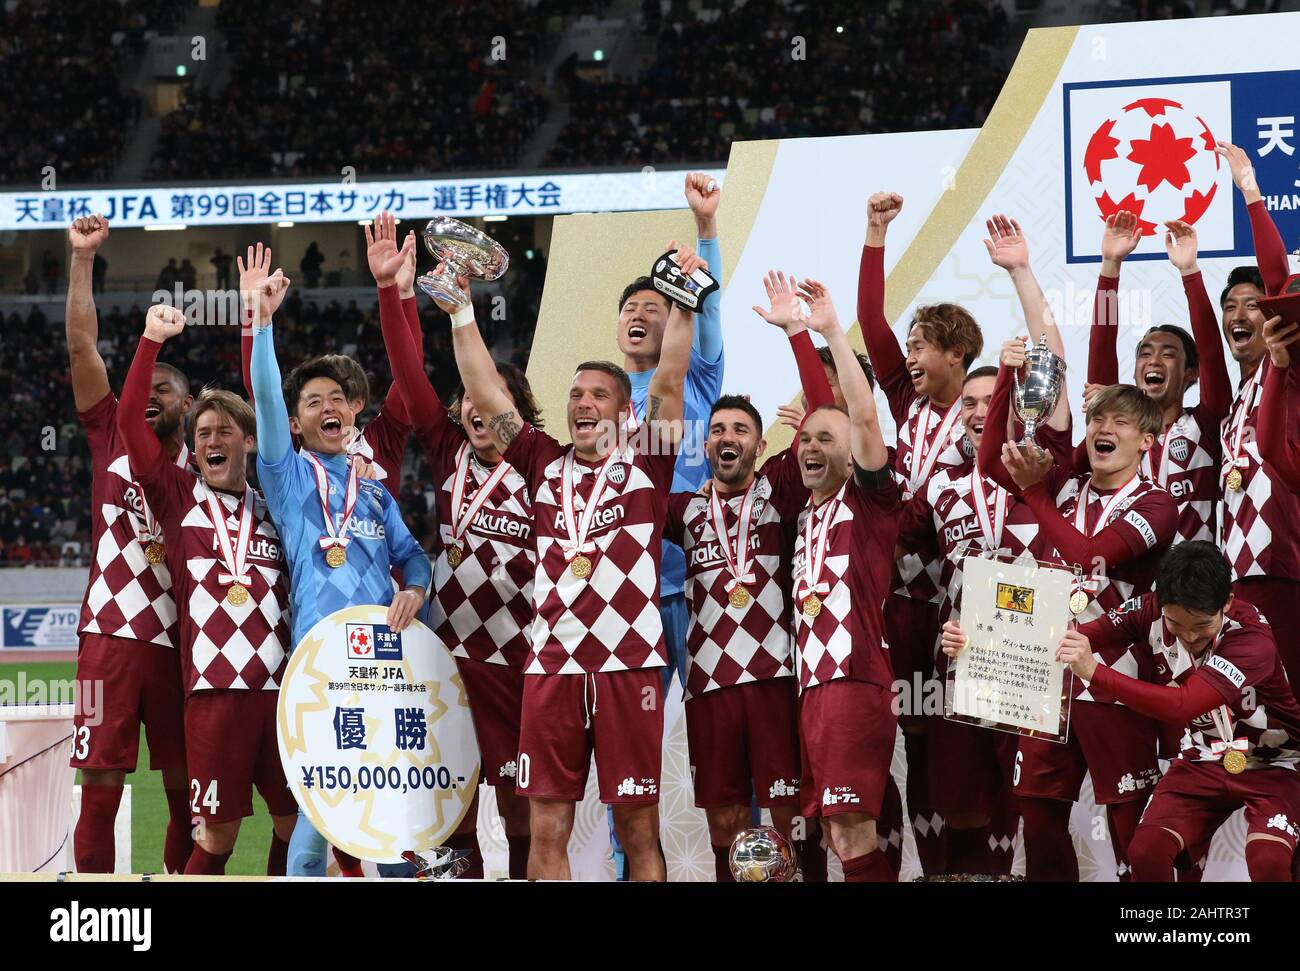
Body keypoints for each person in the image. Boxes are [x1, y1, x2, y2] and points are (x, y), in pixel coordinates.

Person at [455, 238, 704, 881]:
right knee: (547, 831)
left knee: (639, 831)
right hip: (552, 665)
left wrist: (684, 300)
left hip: (629, 662)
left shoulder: (648, 458)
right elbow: (486, 394)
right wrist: (460, 312)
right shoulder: (540, 460)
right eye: (575, 394)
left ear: (624, 410)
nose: (583, 403)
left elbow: (671, 378)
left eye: (598, 394)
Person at [246, 243, 433, 878]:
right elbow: (265, 399)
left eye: (337, 398)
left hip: (384, 665)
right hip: (320, 664)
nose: (327, 407)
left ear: (354, 410)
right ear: (296, 425)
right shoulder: (288, 478)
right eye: (312, 402)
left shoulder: (374, 493)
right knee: (317, 813)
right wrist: (261, 324)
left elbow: (415, 558)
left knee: (393, 813)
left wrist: (415, 589)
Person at [370, 216, 539, 880]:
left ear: (514, 409)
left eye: (488, 397)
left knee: (520, 803)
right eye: (465, 396)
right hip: (451, 655)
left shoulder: (539, 467)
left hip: (519, 655)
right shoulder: (448, 452)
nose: (473, 406)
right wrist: (394, 293)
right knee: (455, 795)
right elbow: (409, 374)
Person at [659, 270, 836, 882]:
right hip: (708, 682)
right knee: (725, 824)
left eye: (740, 430)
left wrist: (795, 333)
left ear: (760, 446)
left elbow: (825, 418)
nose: (727, 437)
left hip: (777, 677)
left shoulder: (783, 487)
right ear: (705, 447)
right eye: (718, 430)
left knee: (792, 818)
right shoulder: (681, 509)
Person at [977, 368, 1178, 881]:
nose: (1102, 429)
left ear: (1146, 440)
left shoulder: (1156, 503)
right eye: (1095, 420)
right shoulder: (1066, 485)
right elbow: (990, 460)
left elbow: (1089, 557)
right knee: (1039, 819)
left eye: (1119, 422)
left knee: (1130, 830)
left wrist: (1035, 495)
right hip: (1047, 679)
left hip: (1116, 679)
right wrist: (1006, 375)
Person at [117, 302, 297, 875]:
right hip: (215, 692)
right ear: (192, 449)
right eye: (202, 434)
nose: (212, 441)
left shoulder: (275, 508)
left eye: (225, 432)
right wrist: (150, 340)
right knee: (217, 835)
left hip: (281, 693)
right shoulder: (177, 496)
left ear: (249, 441)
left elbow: (269, 405)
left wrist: (259, 322)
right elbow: (128, 423)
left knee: (295, 825)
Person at [857, 190, 987, 874]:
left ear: (957, 353)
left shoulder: (986, 415)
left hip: (956, 608)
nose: (907, 356)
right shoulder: (907, 404)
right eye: (907, 347)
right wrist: (875, 233)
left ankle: (972, 866)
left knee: (954, 746)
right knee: (909, 739)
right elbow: (869, 320)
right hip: (896, 602)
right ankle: (928, 865)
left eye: (921, 346)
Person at [64, 214, 195, 874]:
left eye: (163, 392)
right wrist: (83, 258)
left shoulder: (208, 474)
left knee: (188, 795)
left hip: (183, 646)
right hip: (108, 638)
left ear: (189, 407)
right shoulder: (110, 435)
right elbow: (82, 348)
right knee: (99, 790)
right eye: (145, 389)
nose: (149, 398)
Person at [1055, 542, 1300, 883]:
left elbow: (1183, 705)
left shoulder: (1252, 640)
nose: (1189, 635)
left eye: (1202, 624)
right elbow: (1074, 637)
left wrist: (1095, 673)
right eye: (1175, 623)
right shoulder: (1150, 609)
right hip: (1203, 756)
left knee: (1268, 859)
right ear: (1161, 603)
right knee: (1146, 850)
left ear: (1227, 603)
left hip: (1276, 762)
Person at [610, 171, 724, 876]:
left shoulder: (699, 381)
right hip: (628, 599)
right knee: (632, 749)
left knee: (721, 739)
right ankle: (628, 864)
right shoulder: (599, 400)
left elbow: (707, 305)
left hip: (703, 588)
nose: (639, 314)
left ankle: (743, 861)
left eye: (654, 306)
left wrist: (706, 230)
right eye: (630, 307)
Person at [785, 277, 900, 881]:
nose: (810, 446)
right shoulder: (808, 514)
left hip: (854, 681)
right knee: (835, 832)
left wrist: (827, 331)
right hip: (814, 685)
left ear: (853, 452)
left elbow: (864, 417)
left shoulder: (869, 501)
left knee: (853, 832)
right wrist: (793, 333)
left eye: (825, 439)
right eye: (804, 438)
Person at [1080, 212, 1231, 545]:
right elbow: (1101, 346)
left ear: (1191, 373)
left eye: (1169, 354)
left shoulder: (1206, 424)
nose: (1153, 360)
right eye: (1145, 353)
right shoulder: (1117, 430)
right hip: (1130, 572)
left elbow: (1211, 353)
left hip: (1192, 575)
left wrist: (1190, 272)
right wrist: (1110, 267)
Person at [1213, 142, 1300, 690]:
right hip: (1237, 573)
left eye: (1254, 305)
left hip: (1283, 563)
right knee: (1256, 714)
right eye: (1231, 306)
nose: (1241, 315)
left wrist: (1250, 192)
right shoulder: (1238, 397)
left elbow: (1276, 279)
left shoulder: (1285, 368)